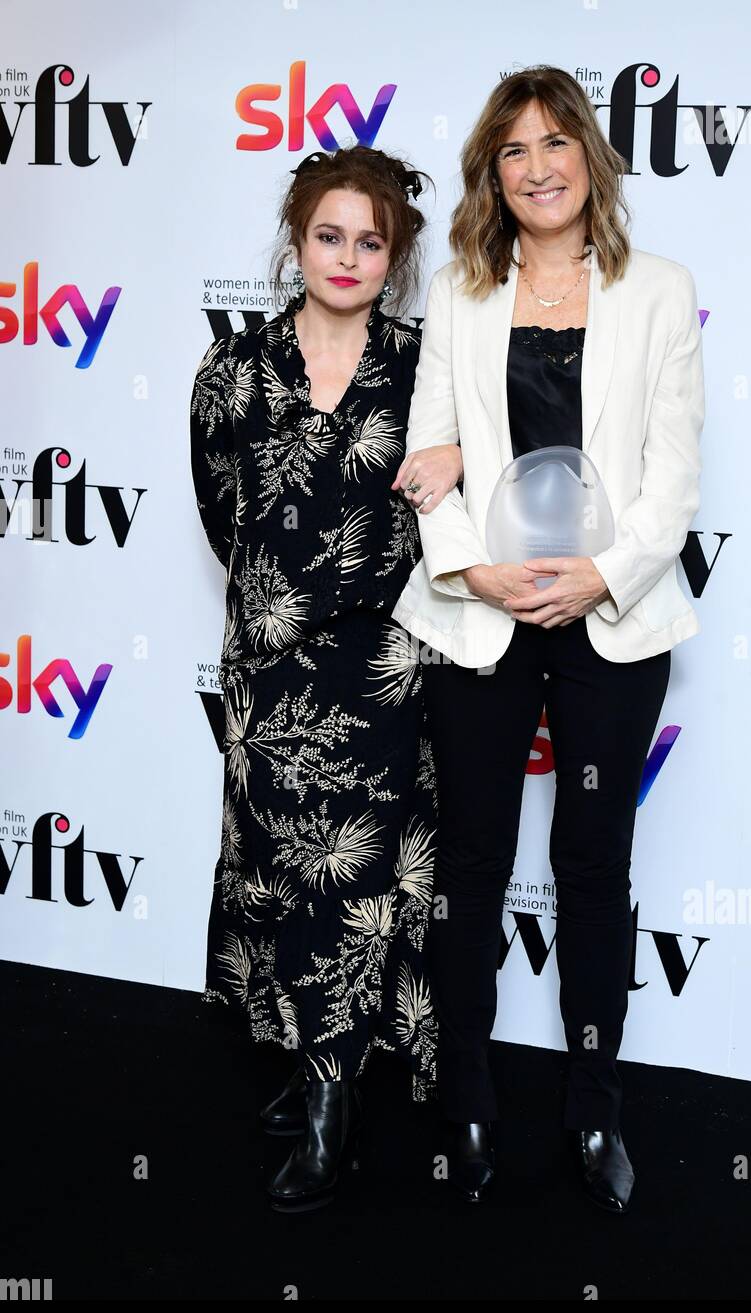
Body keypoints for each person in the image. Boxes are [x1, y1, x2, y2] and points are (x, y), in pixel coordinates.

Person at [391, 66, 705, 1213]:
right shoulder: (462, 293)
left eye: (555, 142)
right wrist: (477, 567)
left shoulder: (660, 292)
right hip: (482, 613)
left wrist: (600, 576)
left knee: (590, 866)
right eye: (514, 150)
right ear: (495, 174)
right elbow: (430, 456)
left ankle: (590, 1107)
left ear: (589, 158)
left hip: (609, 619)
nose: (537, 166)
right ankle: (465, 1097)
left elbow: (672, 479)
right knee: (471, 862)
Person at [189, 145, 463, 1213]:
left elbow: (455, 502)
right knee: (281, 878)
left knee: (356, 886)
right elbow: (223, 510)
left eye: (371, 240)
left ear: (394, 258)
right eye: (328, 235)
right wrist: (279, 603)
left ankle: (332, 1107)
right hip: (267, 674)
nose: (347, 257)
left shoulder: (425, 367)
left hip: (381, 673)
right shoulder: (233, 369)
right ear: (296, 240)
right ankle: (308, 1068)